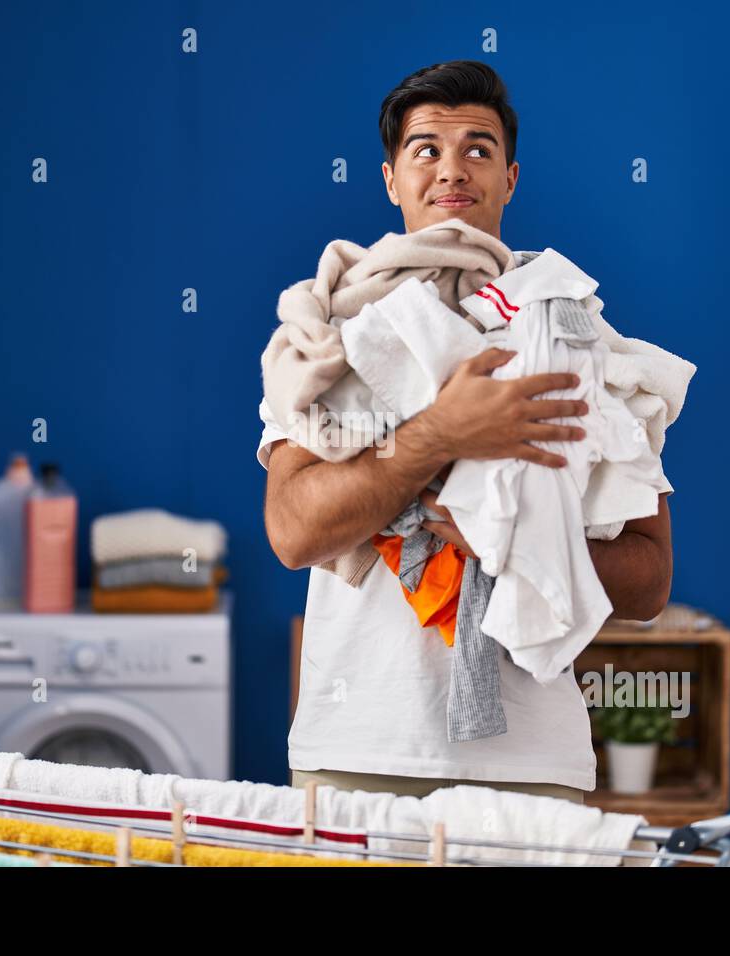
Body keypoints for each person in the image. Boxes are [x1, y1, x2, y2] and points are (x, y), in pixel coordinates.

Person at [258, 60, 673, 801]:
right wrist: (440, 433)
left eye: (478, 149)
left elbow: (648, 578)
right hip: (358, 749)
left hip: (531, 765)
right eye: (426, 149)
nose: (453, 169)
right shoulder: (331, 336)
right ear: (391, 178)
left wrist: (506, 539)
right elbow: (293, 531)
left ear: (510, 178)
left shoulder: (575, 337)